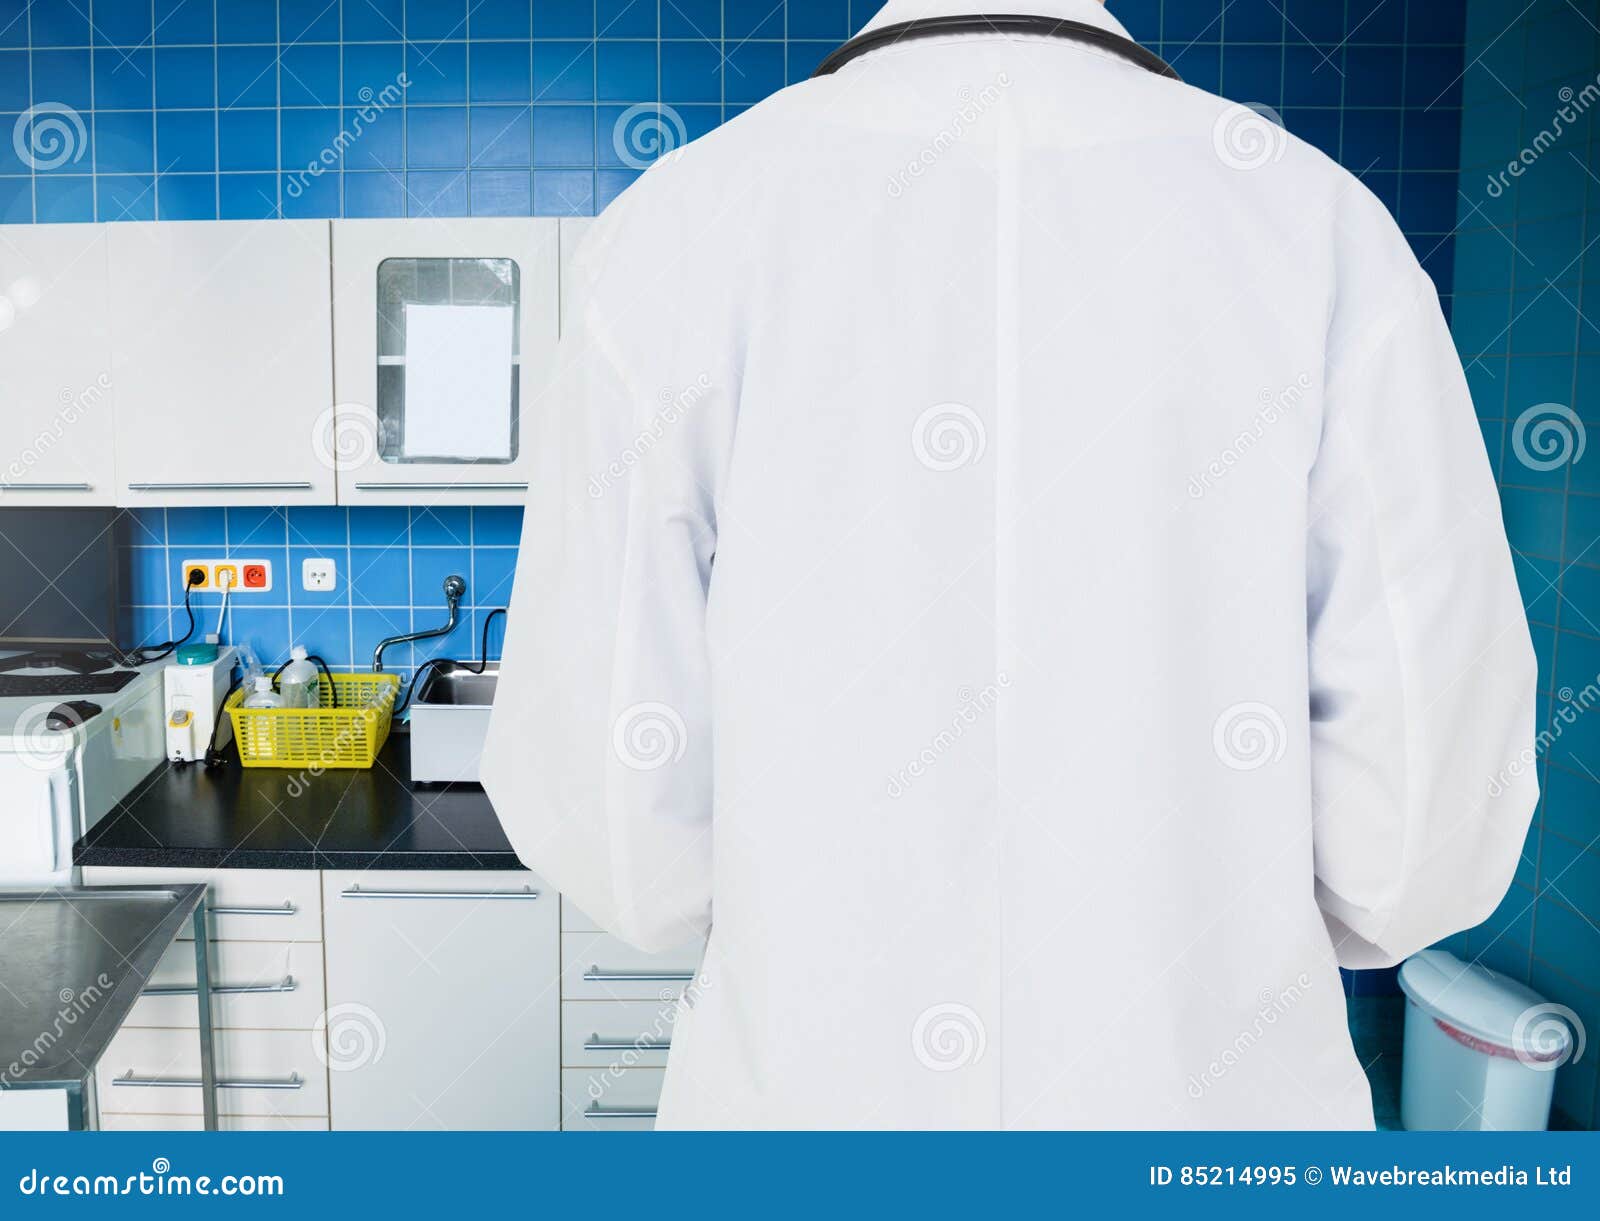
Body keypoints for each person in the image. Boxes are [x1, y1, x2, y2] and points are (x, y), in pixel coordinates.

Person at [481, 0, 1537, 1129]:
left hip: (805, 1111)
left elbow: (607, 814)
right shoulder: (1317, 225)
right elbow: (1419, 832)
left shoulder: (678, 228)